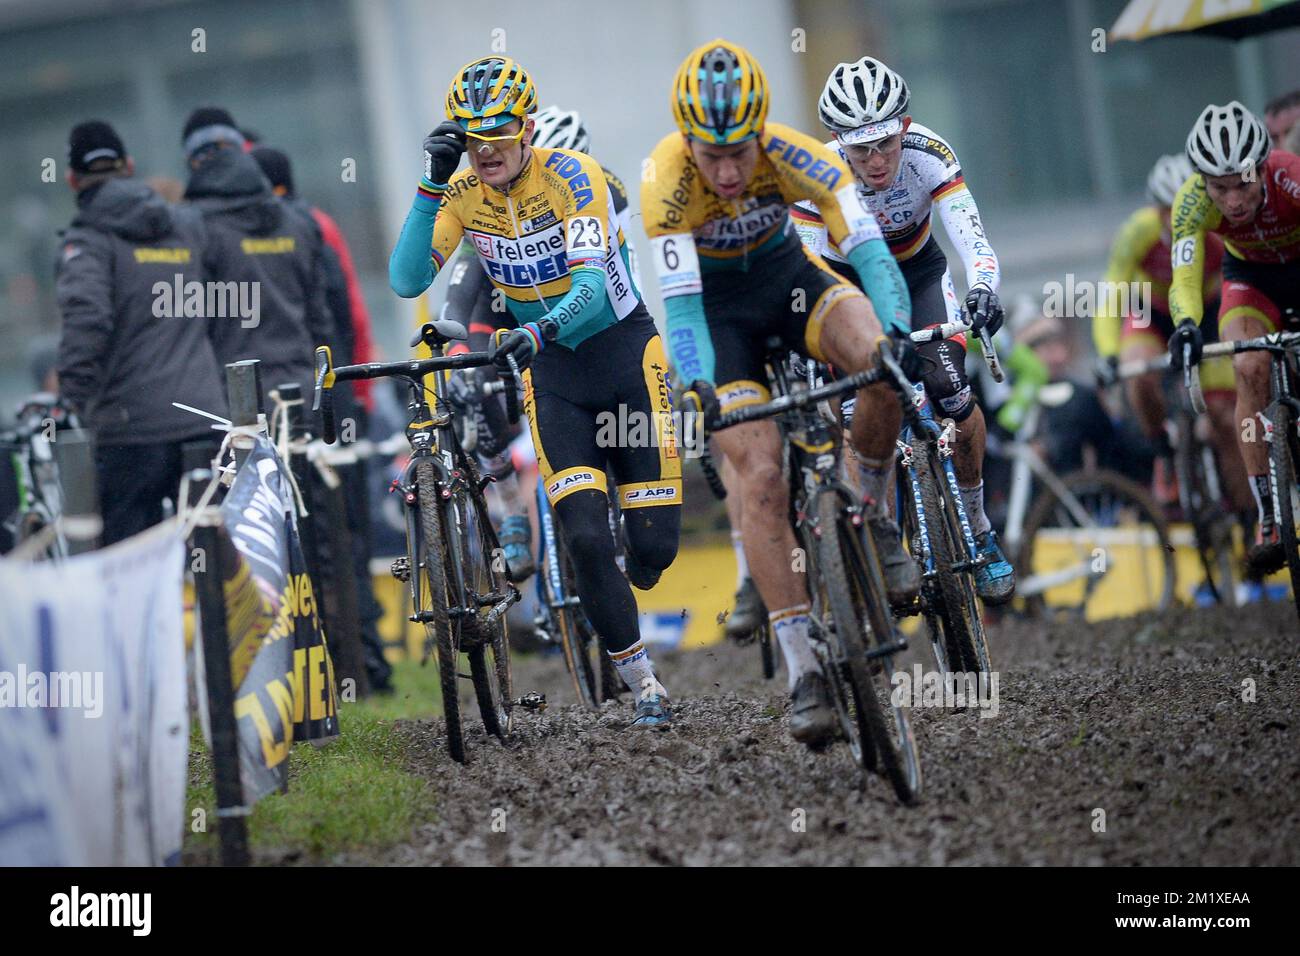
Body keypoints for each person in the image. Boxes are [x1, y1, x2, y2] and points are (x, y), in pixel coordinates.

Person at [389, 56, 680, 727]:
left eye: (498, 134)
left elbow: (590, 286)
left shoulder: (575, 177)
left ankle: (639, 560)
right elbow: (408, 280)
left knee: (654, 548)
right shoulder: (462, 193)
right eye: (472, 137)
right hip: (552, 376)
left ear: (526, 127)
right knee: (580, 534)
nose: (485, 150)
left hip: (625, 356)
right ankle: (644, 687)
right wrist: (430, 186)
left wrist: (540, 328)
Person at [642, 39, 914, 746]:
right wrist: (698, 383)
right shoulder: (664, 182)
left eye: (742, 153)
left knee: (883, 363)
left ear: (761, 133)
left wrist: (897, 330)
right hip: (717, 318)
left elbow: (869, 254)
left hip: (790, 284)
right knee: (760, 476)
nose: (729, 171)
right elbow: (679, 311)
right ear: (688, 143)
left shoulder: (797, 155)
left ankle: (877, 515)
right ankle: (805, 674)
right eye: (713, 157)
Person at [791, 55, 1016, 606]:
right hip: (847, 289)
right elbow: (810, 275)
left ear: (906, 129)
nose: (875, 161)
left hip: (918, 276)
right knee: (861, 418)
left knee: (950, 394)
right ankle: (882, 544)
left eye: (885, 144)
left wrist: (984, 289)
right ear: (838, 142)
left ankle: (980, 531)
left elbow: (972, 240)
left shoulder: (930, 155)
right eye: (860, 148)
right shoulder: (813, 178)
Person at [438, 103, 640, 584]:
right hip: (501, 295)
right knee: (471, 378)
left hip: (578, 295)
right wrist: (452, 334)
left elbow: (627, 280)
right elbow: (463, 279)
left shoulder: (604, 188)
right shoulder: (487, 197)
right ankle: (508, 502)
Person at [249, 145, 393, 694]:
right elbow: (348, 314)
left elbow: (339, 316)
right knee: (342, 541)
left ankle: (354, 669)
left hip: (323, 405)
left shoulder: (297, 231)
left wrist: (344, 396)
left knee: (329, 539)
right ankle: (361, 668)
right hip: (339, 398)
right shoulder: (314, 225)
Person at [55, 120, 227, 545]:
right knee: (218, 564)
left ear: (72, 179)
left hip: (130, 432)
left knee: (132, 569)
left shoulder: (88, 240)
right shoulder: (188, 226)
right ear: (129, 166)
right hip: (204, 418)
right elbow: (226, 303)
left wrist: (69, 401)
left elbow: (87, 322)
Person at [1169, 101, 1300, 575]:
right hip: (1251, 279)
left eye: (1244, 183)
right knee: (1248, 366)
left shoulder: (1289, 175)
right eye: (1220, 189)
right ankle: (1269, 514)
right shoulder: (1191, 202)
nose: (1234, 200)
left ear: (1262, 168)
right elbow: (1183, 278)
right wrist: (1185, 324)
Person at [1092, 153, 1248, 518]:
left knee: (1225, 416)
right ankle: (1163, 450)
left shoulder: (1214, 230)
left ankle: (1248, 516)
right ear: (1155, 210)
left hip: (1207, 315)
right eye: (1166, 209)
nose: (1175, 218)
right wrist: (1108, 352)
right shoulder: (1138, 232)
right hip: (1156, 315)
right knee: (1138, 373)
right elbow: (1113, 290)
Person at [181, 107, 334, 409]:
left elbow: (190, 326)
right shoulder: (299, 222)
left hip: (232, 398)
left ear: (193, 161)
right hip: (303, 389)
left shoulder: (193, 228)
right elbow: (323, 320)